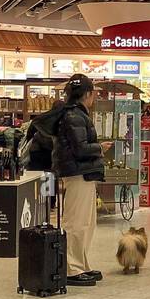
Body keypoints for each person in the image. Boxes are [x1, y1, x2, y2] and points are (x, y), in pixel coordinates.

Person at [52, 74, 105, 287]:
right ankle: (71, 268)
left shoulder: (75, 114)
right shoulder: (74, 116)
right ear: (87, 94)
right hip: (78, 174)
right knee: (76, 222)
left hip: (82, 173)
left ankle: (81, 264)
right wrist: (100, 147)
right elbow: (80, 148)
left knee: (85, 222)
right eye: (93, 93)